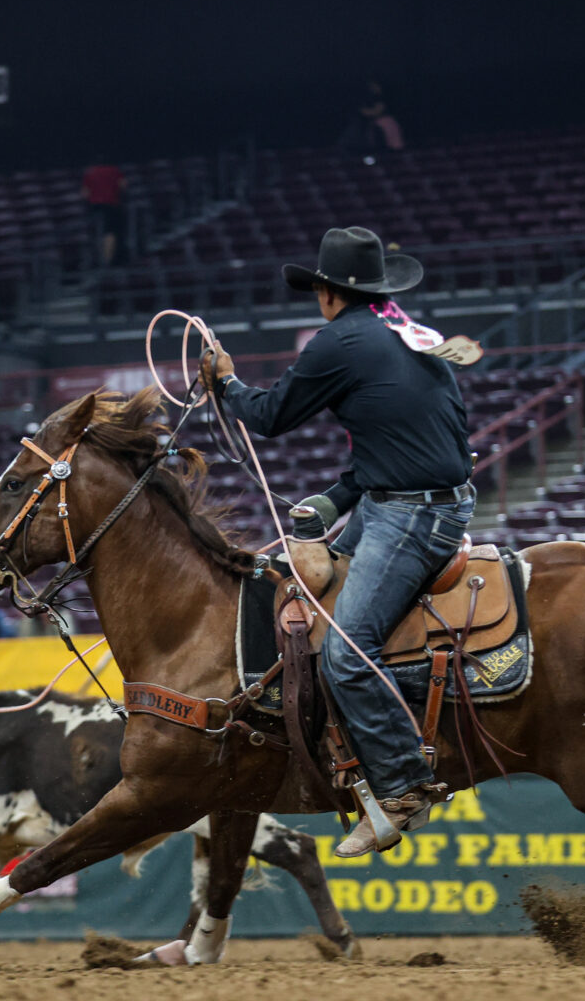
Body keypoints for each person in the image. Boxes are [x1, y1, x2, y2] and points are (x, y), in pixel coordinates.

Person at [202, 226, 473, 858]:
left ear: (327, 293)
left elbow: (267, 417)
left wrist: (225, 381)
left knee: (348, 651)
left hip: (410, 515)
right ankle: (355, 773)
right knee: (311, 613)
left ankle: (405, 784)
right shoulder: (407, 336)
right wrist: (338, 499)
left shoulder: (340, 342)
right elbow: (408, 441)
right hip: (403, 501)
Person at [80, 158, 127, 267]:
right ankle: (108, 260)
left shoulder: (89, 172)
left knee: (98, 234)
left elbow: (84, 194)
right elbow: (123, 186)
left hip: (95, 208)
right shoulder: (114, 170)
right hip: (111, 206)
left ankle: (99, 260)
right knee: (110, 233)